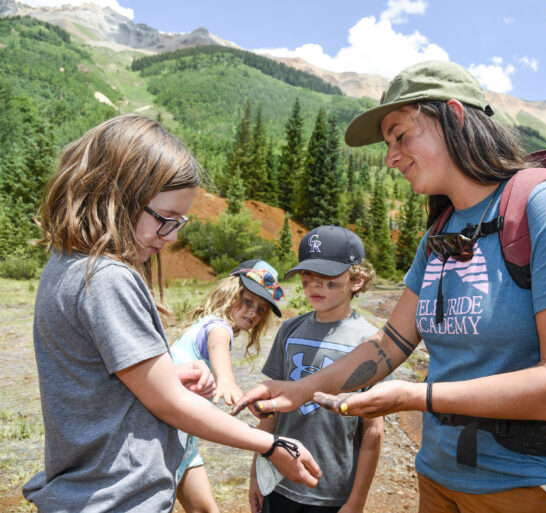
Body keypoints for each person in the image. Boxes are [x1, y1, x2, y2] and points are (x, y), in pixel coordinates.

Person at [233, 61, 546, 513]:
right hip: (439, 480)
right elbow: (392, 342)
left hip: (535, 489)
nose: (390, 156)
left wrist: (417, 397)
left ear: (455, 117)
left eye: (400, 135)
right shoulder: (441, 234)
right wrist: (298, 390)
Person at [23, 113, 321, 513]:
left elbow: (97, 378)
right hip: (118, 497)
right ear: (114, 195)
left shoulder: (66, 265)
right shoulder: (108, 277)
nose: (173, 236)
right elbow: (169, 405)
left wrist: (165, 376)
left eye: (179, 222)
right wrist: (270, 444)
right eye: (165, 219)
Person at [250, 225, 383, 513]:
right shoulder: (290, 330)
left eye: (326, 279)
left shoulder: (371, 343)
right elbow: (270, 410)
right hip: (279, 480)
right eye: (307, 280)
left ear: (357, 280)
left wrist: (357, 501)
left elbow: (373, 431)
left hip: (332, 490)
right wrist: (256, 474)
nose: (314, 288)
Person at [171, 259, 284, 513]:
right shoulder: (218, 327)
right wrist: (227, 378)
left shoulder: (204, 323)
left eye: (262, 308)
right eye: (248, 301)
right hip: (165, 436)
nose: (254, 312)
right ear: (231, 292)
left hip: (183, 441)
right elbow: (218, 344)